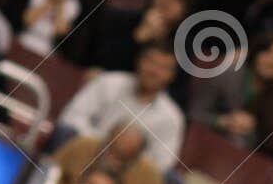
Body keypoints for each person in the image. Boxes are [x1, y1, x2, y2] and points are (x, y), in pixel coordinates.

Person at [58, 44, 187, 171]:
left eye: (163, 68)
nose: (154, 71)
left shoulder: (172, 117)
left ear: (172, 76)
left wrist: (125, 157)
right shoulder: (108, 82)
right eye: (151, 62)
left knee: (173, 180)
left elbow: (163, 162)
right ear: (139, 61)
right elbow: (71, 117)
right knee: (64, 132)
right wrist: (105, 147)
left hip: (131, 171)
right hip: (89, 150)